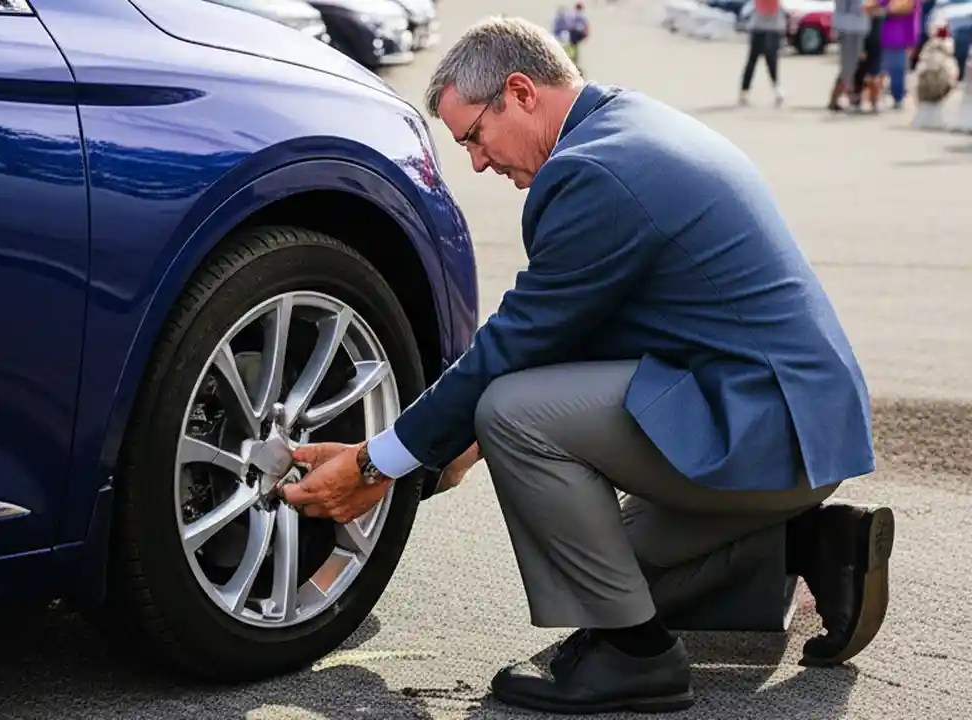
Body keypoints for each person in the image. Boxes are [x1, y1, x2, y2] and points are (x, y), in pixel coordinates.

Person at [280, 15, 893, 716]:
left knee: (514, 416)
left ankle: (637, 661)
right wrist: (455, 452)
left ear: (520, 91)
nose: (477, 162)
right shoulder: (630, 125)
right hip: (795, 424)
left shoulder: (592, 173)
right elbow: (575, 334)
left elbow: (514, 348)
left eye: (474, 136)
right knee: (611, 561)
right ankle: (810, 541)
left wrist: (373, 465)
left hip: (768, 429)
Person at [740, 0, 785, 105]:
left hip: (771, 29)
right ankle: (745, 90)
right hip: (760, 29)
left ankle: (776, 88)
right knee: (754, 61)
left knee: (770, 61)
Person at [830, 0, 872, 110]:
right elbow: (858, 7)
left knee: (854, 65)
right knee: (849, 66)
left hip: (856, 27)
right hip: (849, 28)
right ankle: (841, 97)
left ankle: (844, 97)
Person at [880, 0, 922, 108]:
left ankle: (897, 96)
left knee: (898, 69)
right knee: (892, 68)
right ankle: (892, 96)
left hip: (900, 35)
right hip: (890, 35)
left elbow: (900, 8)